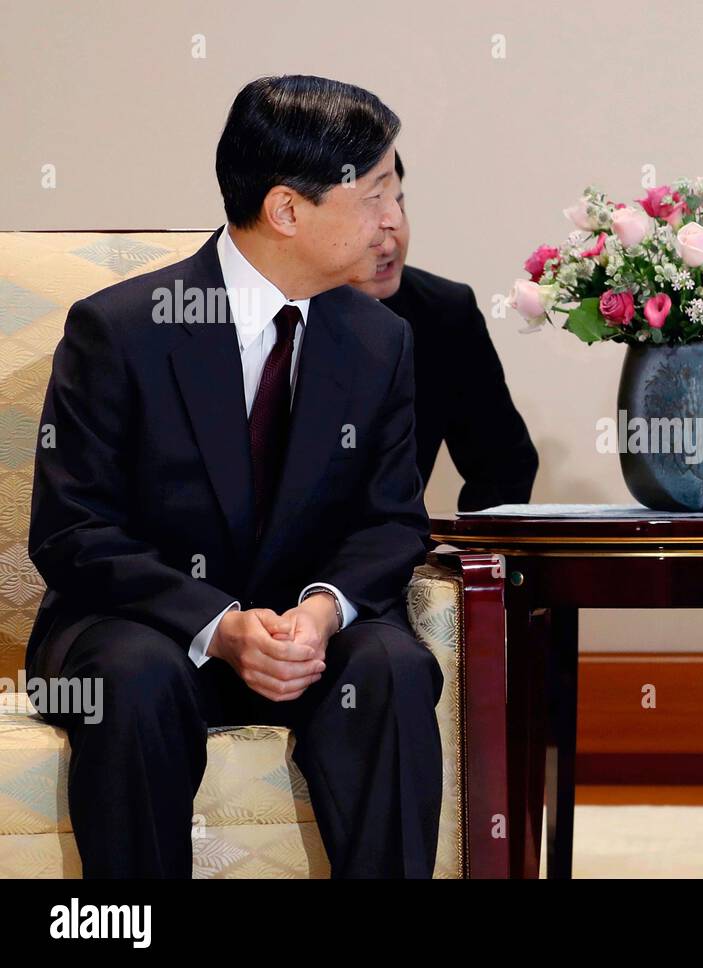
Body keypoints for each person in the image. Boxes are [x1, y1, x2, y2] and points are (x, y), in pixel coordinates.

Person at [26, 74, 443, 878]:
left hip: (307, 641)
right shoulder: (120, 330)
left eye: (399, 190)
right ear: (287, 209)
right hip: (144, 628)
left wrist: (320, 614)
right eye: (375, 194)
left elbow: (392, 521)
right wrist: (219, 625)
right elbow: (72, 530)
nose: (393, 221)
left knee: (390, 665)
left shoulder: (379, 339)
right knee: (133, 678)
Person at [352, 151, 538, 510]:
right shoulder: (271, 312)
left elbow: (506, 464)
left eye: (398, 209)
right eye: (369, 217)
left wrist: (466, 559)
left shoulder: (443, 312)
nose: (389, 242)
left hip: (398, 561)